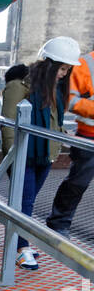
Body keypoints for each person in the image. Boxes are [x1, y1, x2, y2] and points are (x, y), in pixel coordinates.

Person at [1, 36, 81, 269]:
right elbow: (8, 123)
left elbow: (53, 121)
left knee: (28, 201)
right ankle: (20, 248)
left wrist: (64, 135)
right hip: (23, 153)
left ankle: (20, 242)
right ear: (49, 64)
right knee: (24, 202)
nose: (64, 73)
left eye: (67, 69)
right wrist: (12, 157)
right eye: (62, 68)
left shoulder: (53, 88)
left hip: (44, 155)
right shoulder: (18, 86)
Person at [47, 44, 94, 235]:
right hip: (89, 136)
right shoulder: (86, 64)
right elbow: (69, 99)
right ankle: (59, 223)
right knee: (77, 183)